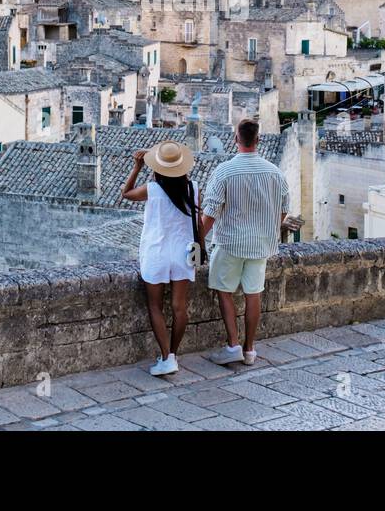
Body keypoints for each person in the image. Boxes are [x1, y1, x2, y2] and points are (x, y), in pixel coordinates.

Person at [199, 118, 289, 366]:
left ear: (236, 139)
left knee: (224, 291)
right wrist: (268, 229)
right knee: (253, 294)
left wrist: (197, 241)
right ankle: (250, 350)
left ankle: (233, 345)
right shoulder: (275, 172)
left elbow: (211, 213)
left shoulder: (224, 171)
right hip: (261, 244)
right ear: (258, 140)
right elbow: (283, 210)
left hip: (230, 242)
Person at [121, 140, 204, 376]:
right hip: (183, 253)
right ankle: (173, 355)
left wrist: (137, 167)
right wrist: (202, 249)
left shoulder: (152, 189)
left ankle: (166, 357)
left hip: (156, 253)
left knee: (155, 306)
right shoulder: (193, 189)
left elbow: (126, 193)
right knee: (180, 307)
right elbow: (198, 223)